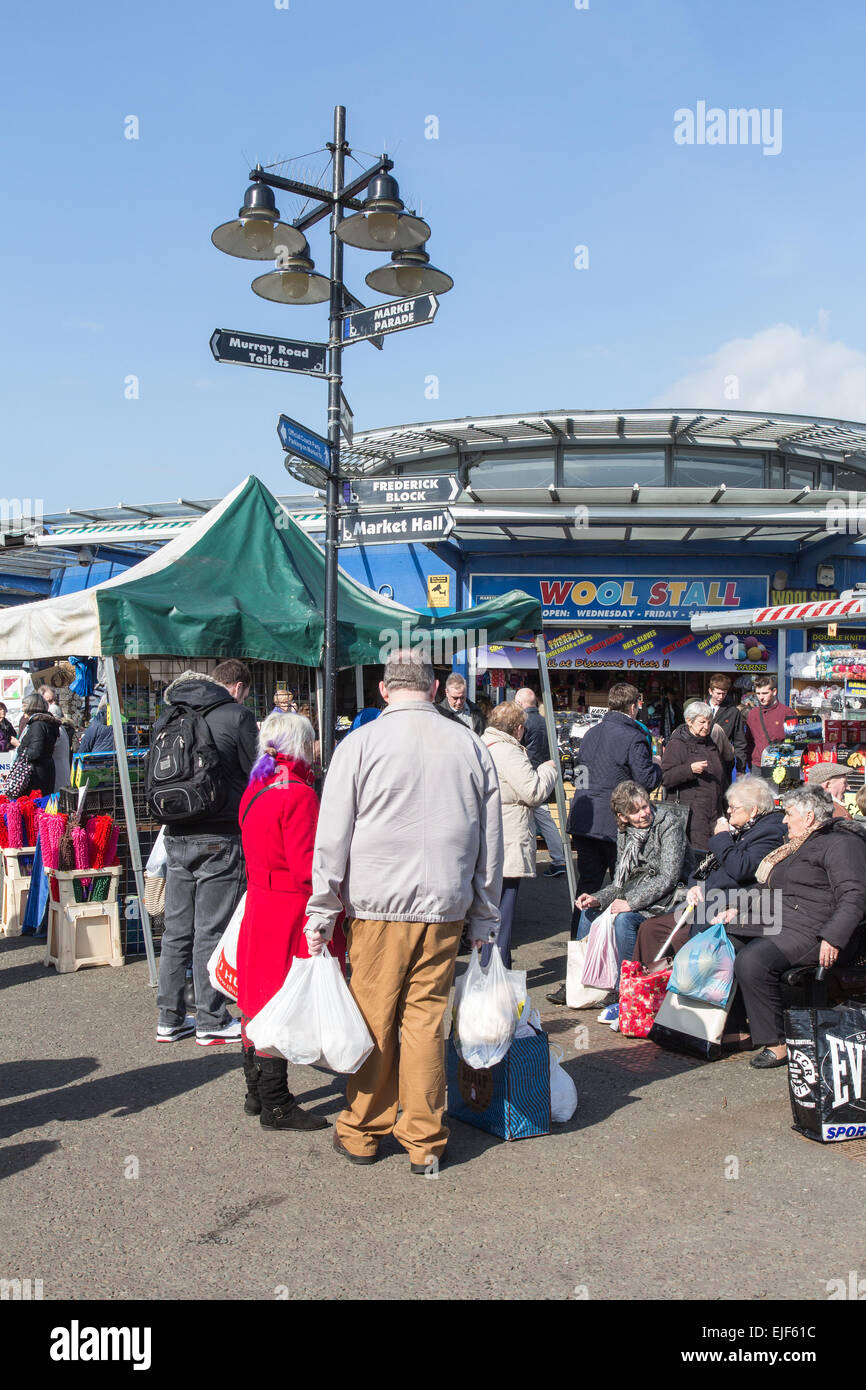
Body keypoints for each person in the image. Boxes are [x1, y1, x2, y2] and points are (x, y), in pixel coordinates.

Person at [304, 650, 503, 1173]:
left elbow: (332, 837)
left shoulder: (360, 744)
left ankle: (364, 1129)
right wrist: (486, 915)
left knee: (373, 1017)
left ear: (384, 691)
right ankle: (424, 1138)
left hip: (377, 905)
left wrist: (322, 909)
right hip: (445, 906)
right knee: (424, 1020)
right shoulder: (469, 744)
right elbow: (491, 840)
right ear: (435, 690)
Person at [236, 711, 345, 1132]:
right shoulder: (298, 793)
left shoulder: (256, 787)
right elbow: (306, 868)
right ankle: (276, 1105)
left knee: (256, 999)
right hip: (289, 907)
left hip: (259, 902)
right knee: (283, 1002)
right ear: (301, 746)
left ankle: (256, 1093)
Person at [156, 660, 259, 1047]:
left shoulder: (171, 714)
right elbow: (258, 773)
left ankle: (169, 1018)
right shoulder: (237, 716)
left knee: (176, 930)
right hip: (220, 834)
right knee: (211, 930)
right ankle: (211, 1018)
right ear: (236, 687)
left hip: (176, 832)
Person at [733, 784, 866, 1068]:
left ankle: (776, 1043)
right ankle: (735, 1026)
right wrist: (738, 908)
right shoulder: (798, 843)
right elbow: (767, 885)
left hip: (815, 928)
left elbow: (854, 895)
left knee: (752, 961)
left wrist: (833, 937)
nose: (783, 819)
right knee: (724, 939)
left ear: (808, 817)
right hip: (783, 919)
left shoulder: (841, 843)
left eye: (789, 813)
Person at [569, 781, 691, 1026]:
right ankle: (583, 982)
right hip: (633, 892)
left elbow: (668, 877)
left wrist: (630, 903)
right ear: (622, 816)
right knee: (587, 912)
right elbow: (619, 882)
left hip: (666, 898)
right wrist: (597, 898)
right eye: (635, 811)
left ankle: (621, 988)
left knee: (625, 920)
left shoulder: (668, 824)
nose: (644, 813)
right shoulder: (625, 832)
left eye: (645, 806)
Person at [633, 777, 786, 965]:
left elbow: (741, 868)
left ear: (753, 810)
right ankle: (648, 985)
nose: (728, 811)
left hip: (728, 904)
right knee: (650, 929)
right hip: (705, 901)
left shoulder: (768, 833)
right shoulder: (740, 830)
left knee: (680, 936)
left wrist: (722, 837)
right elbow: (704, 866)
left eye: (733, 807)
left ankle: (684, 987)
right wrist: (694, 886)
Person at [565, 681, 662, 908]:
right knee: (620, 887)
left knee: (587, 887)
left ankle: (580, 940)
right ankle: (608, 942)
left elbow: (581, 775)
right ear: (632, 708)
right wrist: (658, 765)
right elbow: (646, 781)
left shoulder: (590, 733)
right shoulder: (633, 737)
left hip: (585, 819)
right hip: (614, 824)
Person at [481, 701, 557, 967]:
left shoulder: (482, 743)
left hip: (491, 834)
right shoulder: (508, 752)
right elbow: (533, 791)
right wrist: (548, 769)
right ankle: (496, 971)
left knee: (493, 908)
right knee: (504, 908)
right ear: (519, 729)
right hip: (508, 835)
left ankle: (494, 966)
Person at [514, 687, 567, 878]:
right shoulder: (545, 722)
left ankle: (559, 859)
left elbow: (522, 751)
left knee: (543, 818)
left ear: (519, 703)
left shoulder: (523, 723)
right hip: (544, 773)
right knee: (537, 818)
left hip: (531, 775)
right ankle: (555, 859)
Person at [661, 701, 727, 852]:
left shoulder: (710, 743)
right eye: (702, 722)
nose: (707, 727)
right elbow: (665, 777)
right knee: (698, 855)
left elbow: (720, 776)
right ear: (689, 721)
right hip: (691, 814)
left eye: (709, 722)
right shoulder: (677, 744)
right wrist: (689, 770)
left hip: (713, 811)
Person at [8, 694, 59, 794]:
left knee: (34, 806)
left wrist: (20, 746)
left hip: (36, 776)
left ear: (31, 706)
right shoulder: (45, 722)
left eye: (24, 706)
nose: (22, 709)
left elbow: (35, 752)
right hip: (44, 770)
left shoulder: (38, 725)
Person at [746, 676, 795, 773]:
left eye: (765, 693)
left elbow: (794, 742)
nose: (761, 697)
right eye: (758, 693)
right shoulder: (753, 713)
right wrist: (749, 762)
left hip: (779, 766)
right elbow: (748, 741)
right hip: (757, 765)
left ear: (774, 691)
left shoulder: (787, 712)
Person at [707, 674, 750, 774]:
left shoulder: (733, 712)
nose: (721, 697)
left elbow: (740, 742)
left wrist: (741, 769)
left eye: (724, 694)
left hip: (723, 763)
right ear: (710, 691)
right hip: (701, 761)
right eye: (718, 693)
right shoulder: (699, 708)